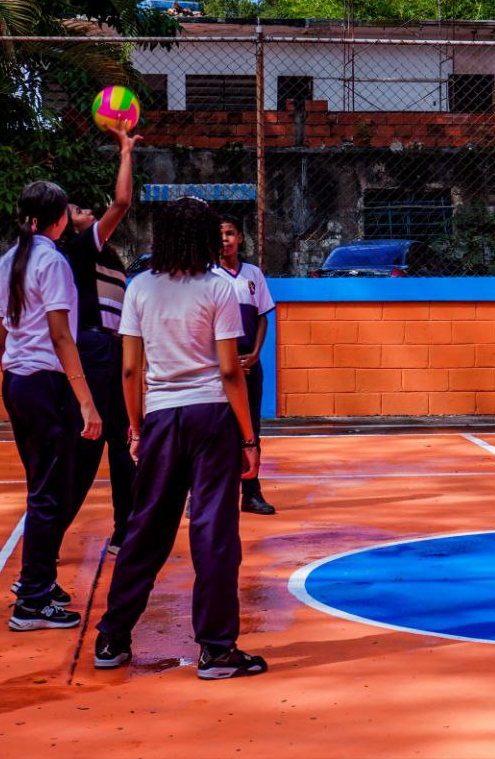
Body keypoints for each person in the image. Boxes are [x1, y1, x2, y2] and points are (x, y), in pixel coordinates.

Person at [93, 198, 267, 680]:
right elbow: (231, 370)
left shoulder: (140, 287)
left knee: (146, 526)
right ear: (209, 238)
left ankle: (112, 637)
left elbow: (131, 367)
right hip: (213, 416)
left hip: (163, 415)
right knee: (214, 532)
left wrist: (136, 426)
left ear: (161, 237)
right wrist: (248, 440)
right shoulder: (220, 287)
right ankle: (215, 650)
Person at [0, 181, 102, 631]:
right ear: (58, 220)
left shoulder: (7, 261)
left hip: (18, 381)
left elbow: (0, 331)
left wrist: (10, 373)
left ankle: (38, 582)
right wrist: (86, 401)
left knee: (42, 486)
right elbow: (60, 335)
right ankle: (33, 600)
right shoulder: (52, 261)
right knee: (48, 493)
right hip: (44, 383)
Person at [62, 126, 141, 554]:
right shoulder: (78, 251)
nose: (85, 209)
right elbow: (123, 202)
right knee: (85, 452)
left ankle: (124, 532)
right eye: (75, 207)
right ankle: (49, 533)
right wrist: (125, 152)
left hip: (113, 349)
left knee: (123, 444)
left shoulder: (111, 260)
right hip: (93, 350)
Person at [213, 214, 277, 515]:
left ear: (239, 238)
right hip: (216, 365)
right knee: (212, 430)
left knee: (250, 428)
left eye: (229, 233)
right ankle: (201, 495)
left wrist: (254, 354)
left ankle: (251, 493)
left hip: (248, 362)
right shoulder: (205, 275)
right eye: (220, 234)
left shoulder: (252, 274)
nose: (224, 239)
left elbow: (263, 316)